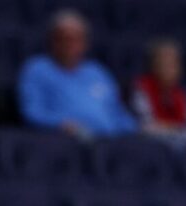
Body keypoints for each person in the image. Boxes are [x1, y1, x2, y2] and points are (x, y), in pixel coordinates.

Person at [17, 9, 137, 138]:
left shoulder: (97, 71)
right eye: (65, 39)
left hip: (110, 140)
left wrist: (138, 127)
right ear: (52, 41)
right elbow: (32, 112)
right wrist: (60, 124)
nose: (70, 45)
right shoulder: (37, 69)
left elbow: (117, 113)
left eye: (77, 39)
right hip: (66, 141)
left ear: (85, 43)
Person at [131, 39, 186, 135]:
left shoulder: (181, 94)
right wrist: (175, 128)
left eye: (173, 64)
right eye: (164, 63)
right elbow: (143, 126)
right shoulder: (141, 88)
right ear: (153, 66)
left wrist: (169, 127)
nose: (169, 69)